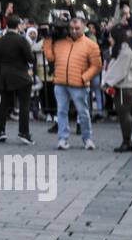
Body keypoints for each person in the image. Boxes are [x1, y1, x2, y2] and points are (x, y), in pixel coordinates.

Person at [42, 17, 103, 150]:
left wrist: (84, 78)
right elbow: (50, 57)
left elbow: (97, 65)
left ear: (83, 27)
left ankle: (87, 138)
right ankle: (62, 139)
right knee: (61, 111)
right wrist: (47, 40)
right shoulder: (60, 43)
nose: (74, 31)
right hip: (61, 83)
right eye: (71, 28)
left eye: (77, 28)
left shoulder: (90, 45)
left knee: (83, 113)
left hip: (79, 85)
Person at [0, 17, 34, 144]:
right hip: (21, 75)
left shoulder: (0, 40)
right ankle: (24, 132)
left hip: (4, 75)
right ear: (18, 26)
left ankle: (1, 132)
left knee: (3, 105)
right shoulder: (21, 40)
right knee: (24, 105)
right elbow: (30, 58)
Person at [102, 24, 132, 152]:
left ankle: (127, 140)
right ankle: (126, 140)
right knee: (123, 114)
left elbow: (119, 71)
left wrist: (107, 82)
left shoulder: (124, 52)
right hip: (123, 86)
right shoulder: (121, 49)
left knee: (124, 114)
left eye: (111, 37)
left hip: (125, 86)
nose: (109, 39)